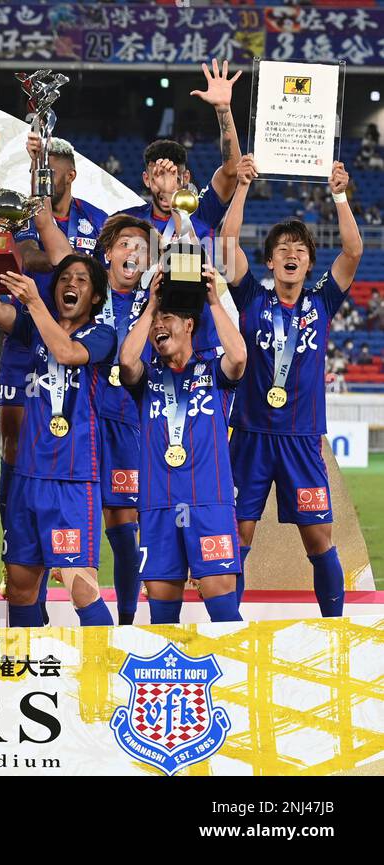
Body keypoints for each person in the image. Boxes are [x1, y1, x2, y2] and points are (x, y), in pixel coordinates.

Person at [219, 156, 362, 616]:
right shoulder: (252, 300)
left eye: (299, 248)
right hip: (251, 438)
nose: (291, 253)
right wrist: (241, 186)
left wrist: (339, 195)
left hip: (301, 441)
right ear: (270, 260)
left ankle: (335, 628)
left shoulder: (321, 303)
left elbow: (353, 253)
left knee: (319, 538)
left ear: (308, 262)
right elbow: (226, 243)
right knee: (237, 537)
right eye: (281, 248)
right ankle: (228, 627)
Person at [0, 257, 117, 627]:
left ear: (96, 296)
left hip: (72, 479)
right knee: (22, 587)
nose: (71, 283)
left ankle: (101, 673)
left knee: (81, 587)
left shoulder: (102, 336)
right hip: (27, 476)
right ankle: (24, 675)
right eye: (64, 278)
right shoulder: (36, 327)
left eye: (81, 280)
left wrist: (35, 303)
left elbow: (67, 353)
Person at [118, 267, 247, 623]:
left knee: (222, 607)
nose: (160, 326)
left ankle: (234, 678)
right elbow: (126, 362)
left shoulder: (212, 372)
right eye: (157, 321)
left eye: (168, 319)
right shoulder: (148, 378)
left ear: (189, 325)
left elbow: (238, 357)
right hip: (158, 506)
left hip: (209, 503)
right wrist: (151, 308)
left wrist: (214, 301)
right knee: (162, 615)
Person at [117, 59, 243, 246]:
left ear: (186, 177)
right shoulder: (129, 221)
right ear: (146, 179)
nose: (166, 185)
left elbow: (232, 170)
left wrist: (223, 109)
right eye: (158, 176)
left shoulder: (201, 212)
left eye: (174, 177)